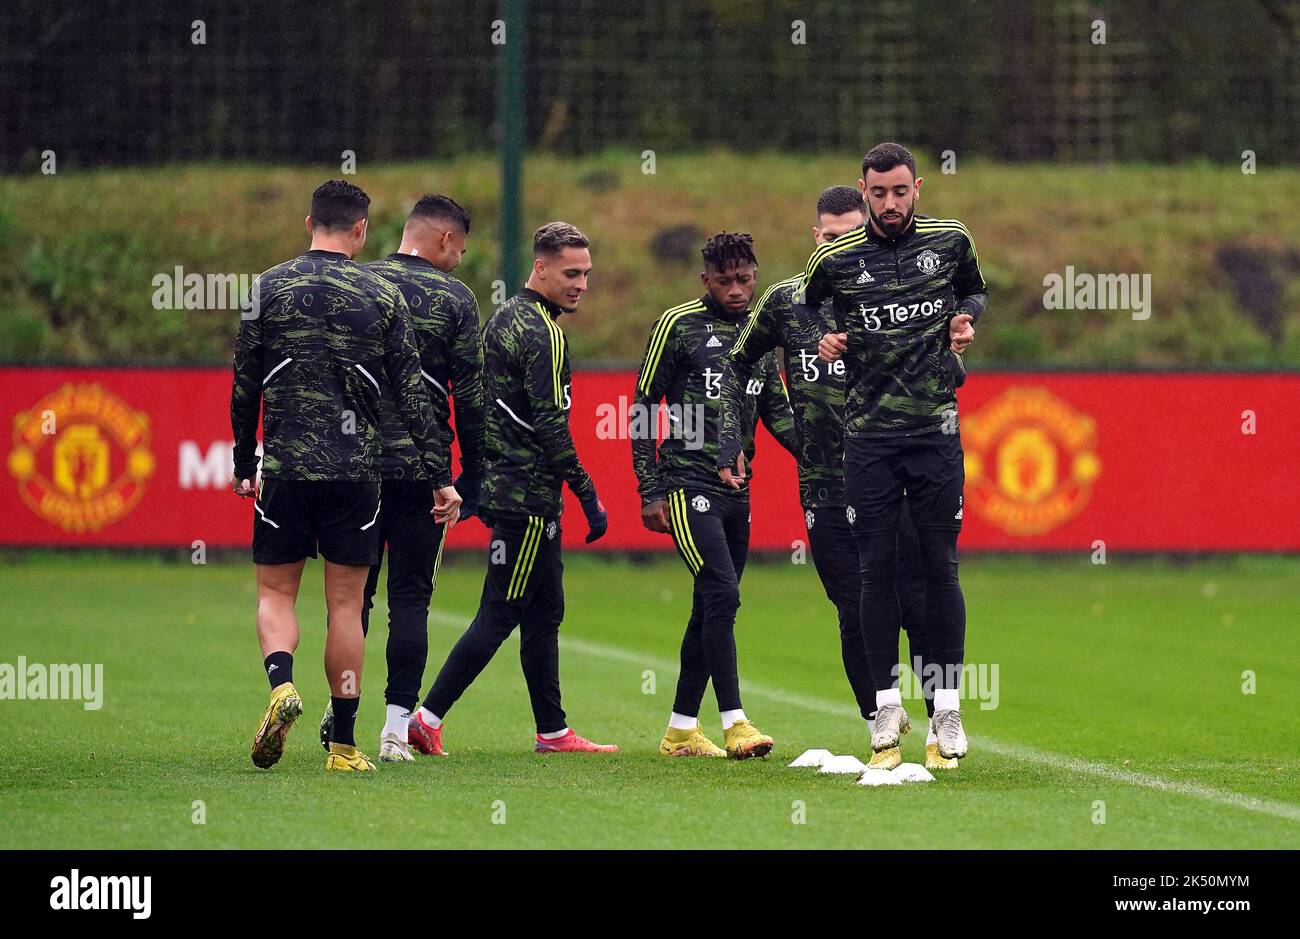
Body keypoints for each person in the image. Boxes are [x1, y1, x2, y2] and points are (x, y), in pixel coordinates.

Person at [720, 185, 969, 771]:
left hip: (892, 465)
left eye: (853, 234)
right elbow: (740, 366)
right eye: (831, 237)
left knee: (919, 598)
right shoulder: (788, 303)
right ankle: (879, 725)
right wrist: (749, 439)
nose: (843, 245)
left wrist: (952, 348)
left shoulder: (897, 292)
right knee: (854, 602)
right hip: (826, 483)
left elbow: (951, 374)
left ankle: (940, 724)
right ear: (816, 239)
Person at [230, 180, 460, 772]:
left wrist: (243, 462)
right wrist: (439, 475)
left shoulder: (267, 287)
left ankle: (281, 684)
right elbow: (411, 396)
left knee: (276, 593)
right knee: (346, 605)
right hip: (357, 474)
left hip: (286, 469)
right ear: (361, 229)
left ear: (310, 222)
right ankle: (344, 744)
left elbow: (245, 386)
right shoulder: (383, 295)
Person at [799, 142, 984, 761]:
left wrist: (964, 320)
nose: (889, 203)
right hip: (869, 439)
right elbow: (807, 306)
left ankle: (948, 710)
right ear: (864, 190)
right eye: (878, 193)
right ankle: (885, 707)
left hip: (935, 434)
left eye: (900, 191)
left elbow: (975, 291)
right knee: (875, 571)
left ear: (917, 189)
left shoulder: (951, 240)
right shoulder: (837, 257)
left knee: (940, 569)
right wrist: (824, 337)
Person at [407, 222, 618, 754]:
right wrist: (587, 493)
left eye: (586, 274)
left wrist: (478, 475)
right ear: (540, 268)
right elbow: (550, 424)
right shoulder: (544, 332)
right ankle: (427, 718)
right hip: (527, 498)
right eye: (571, 274)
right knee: (501, 611)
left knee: (545, 611)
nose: (581, 285)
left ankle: (553, 731)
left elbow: (482, 405)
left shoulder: (504, 317)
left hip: (513, 489)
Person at [317, 194, 486, 762]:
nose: (459, 261)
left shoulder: (360, 283)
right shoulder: (455, 299)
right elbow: (472, 395)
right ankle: (394, 731)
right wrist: (472, 471)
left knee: (351, 599)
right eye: (460, 250)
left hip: (355, 465)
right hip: (422, 470)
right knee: (411, 598)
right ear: (445, 239)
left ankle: (341, 706)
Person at [632, 232, 798, 759]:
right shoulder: (677, 324)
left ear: (756, 275)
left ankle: (681, 730)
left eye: (744, 279)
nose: (735, 290)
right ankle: (735, 722)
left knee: (711, 604)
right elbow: (643, 405)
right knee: (724, 594)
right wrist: (649, 487)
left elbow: (777, 412)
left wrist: (821, 455)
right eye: (724, 281)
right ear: (705, 280)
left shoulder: (760, 333)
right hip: (688, 483)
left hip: (737, 489)